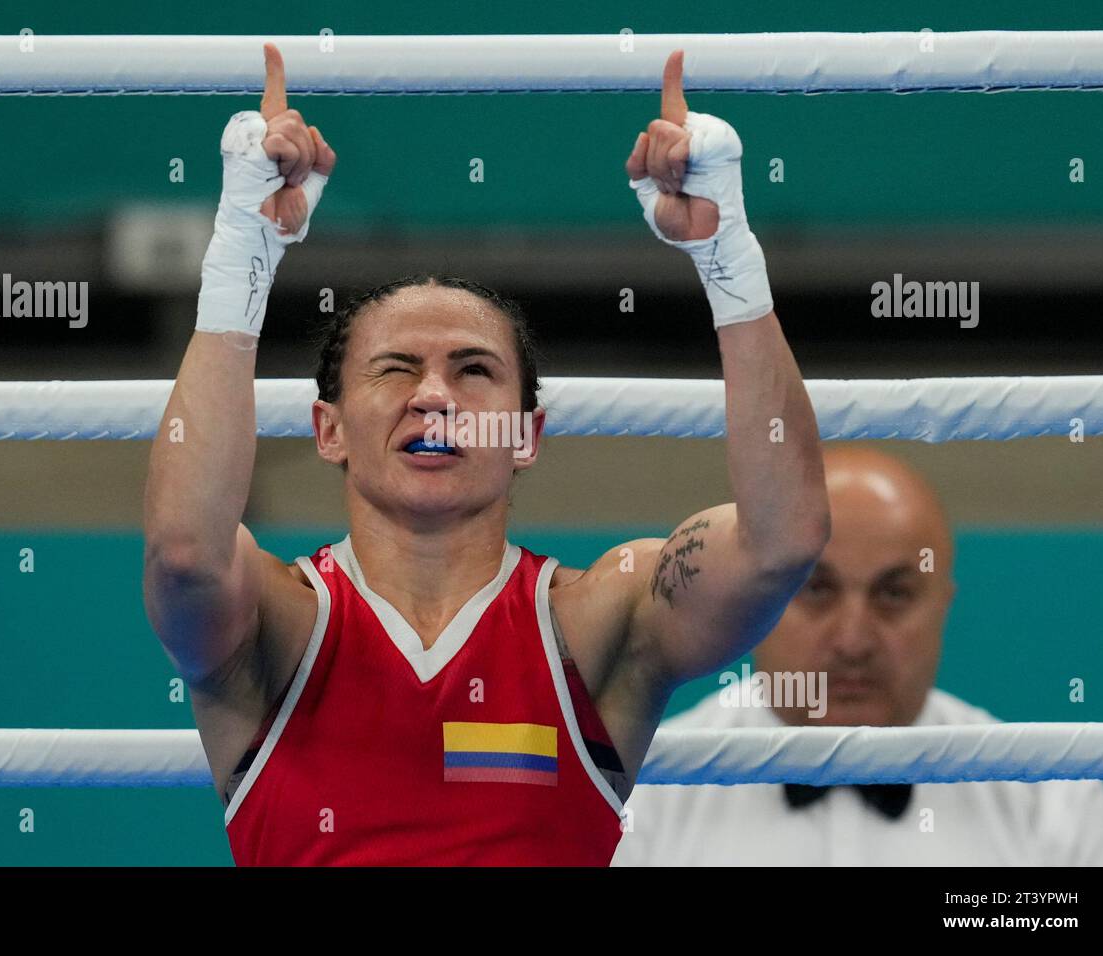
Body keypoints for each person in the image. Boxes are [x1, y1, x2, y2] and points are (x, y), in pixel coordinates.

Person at [142, 44, 830, 865]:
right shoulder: (279, 622)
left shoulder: (598, 620)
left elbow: (781, 541)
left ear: (527, 436)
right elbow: (185, 553)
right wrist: (240, 253)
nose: (435, 397)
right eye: (396, 370)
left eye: (473, 371)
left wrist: (729, 259)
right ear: (328, 431)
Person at [613, 446, 1103, 866]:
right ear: (756, 600)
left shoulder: (1052, 803)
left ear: (942, 607)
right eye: (815, 589)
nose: (854, 640)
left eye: (894, 594)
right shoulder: (645, 794)